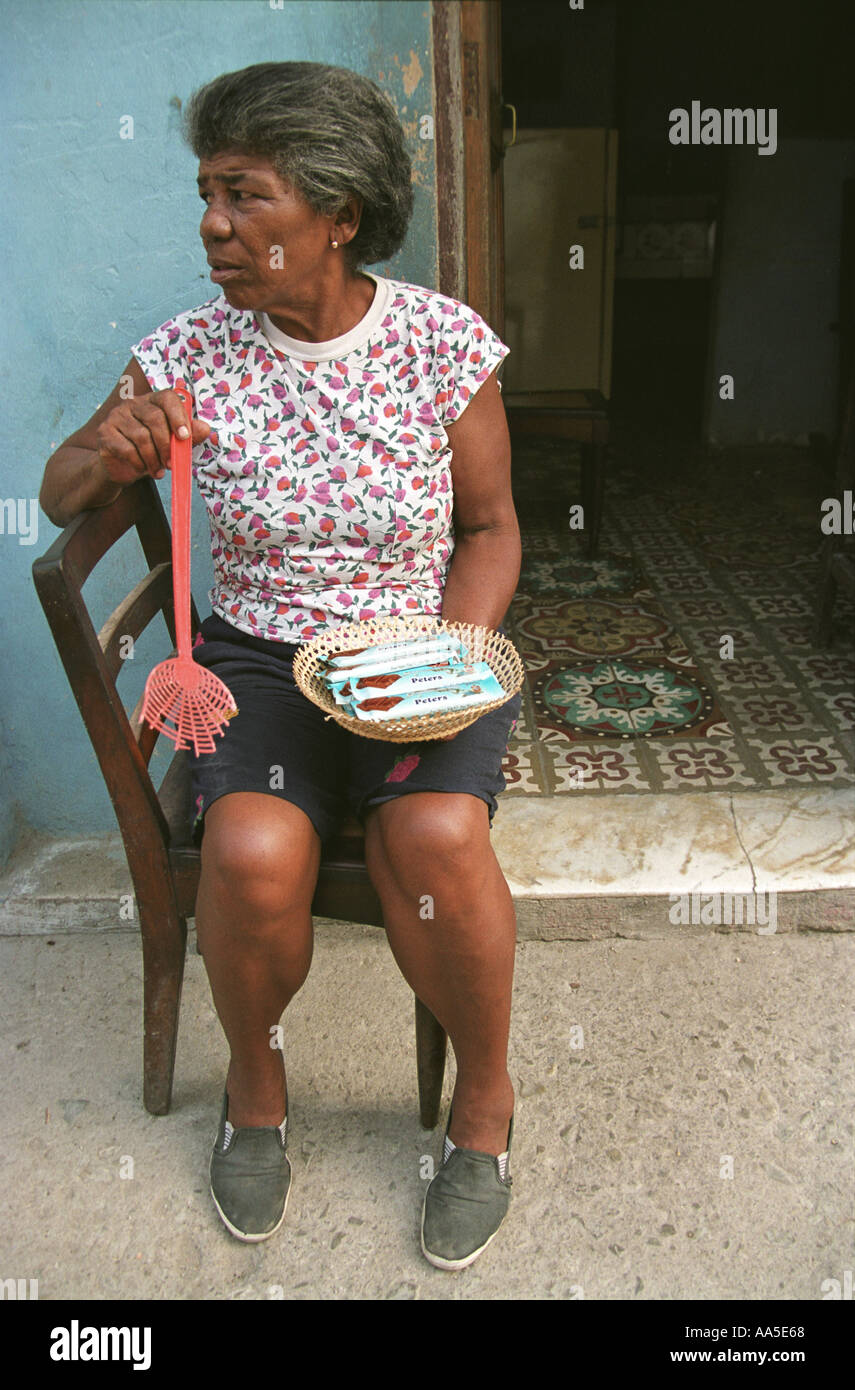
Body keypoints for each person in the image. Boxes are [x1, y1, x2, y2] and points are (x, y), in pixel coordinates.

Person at [39, 61, 522, 1272]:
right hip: (257, 656)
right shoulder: (186, 351)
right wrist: (115, 444)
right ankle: (256, 1091)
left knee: (435, 840)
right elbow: (57, 493)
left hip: (417, 647)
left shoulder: (439, 344)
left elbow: (490, 529)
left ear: (338, 212)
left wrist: (448, 655)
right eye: (207, 193)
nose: (214, 223)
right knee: (253, 853)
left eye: (246, 195)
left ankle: (486, 1107)